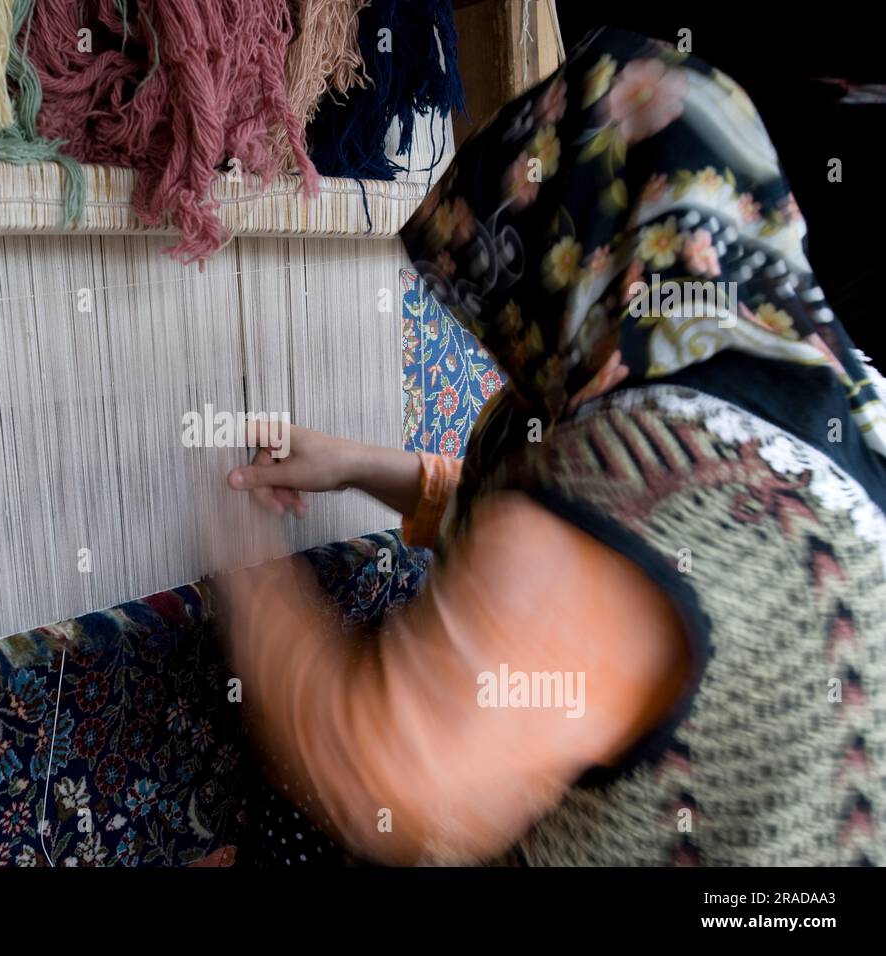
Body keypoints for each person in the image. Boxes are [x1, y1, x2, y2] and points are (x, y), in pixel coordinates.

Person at [216, 26, 886, 866]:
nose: (510, 363)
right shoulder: (843, 420)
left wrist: (241, 567)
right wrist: (353, 464)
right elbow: (577, 558)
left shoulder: (651, 468)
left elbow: (387, 771)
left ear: (578, 264)